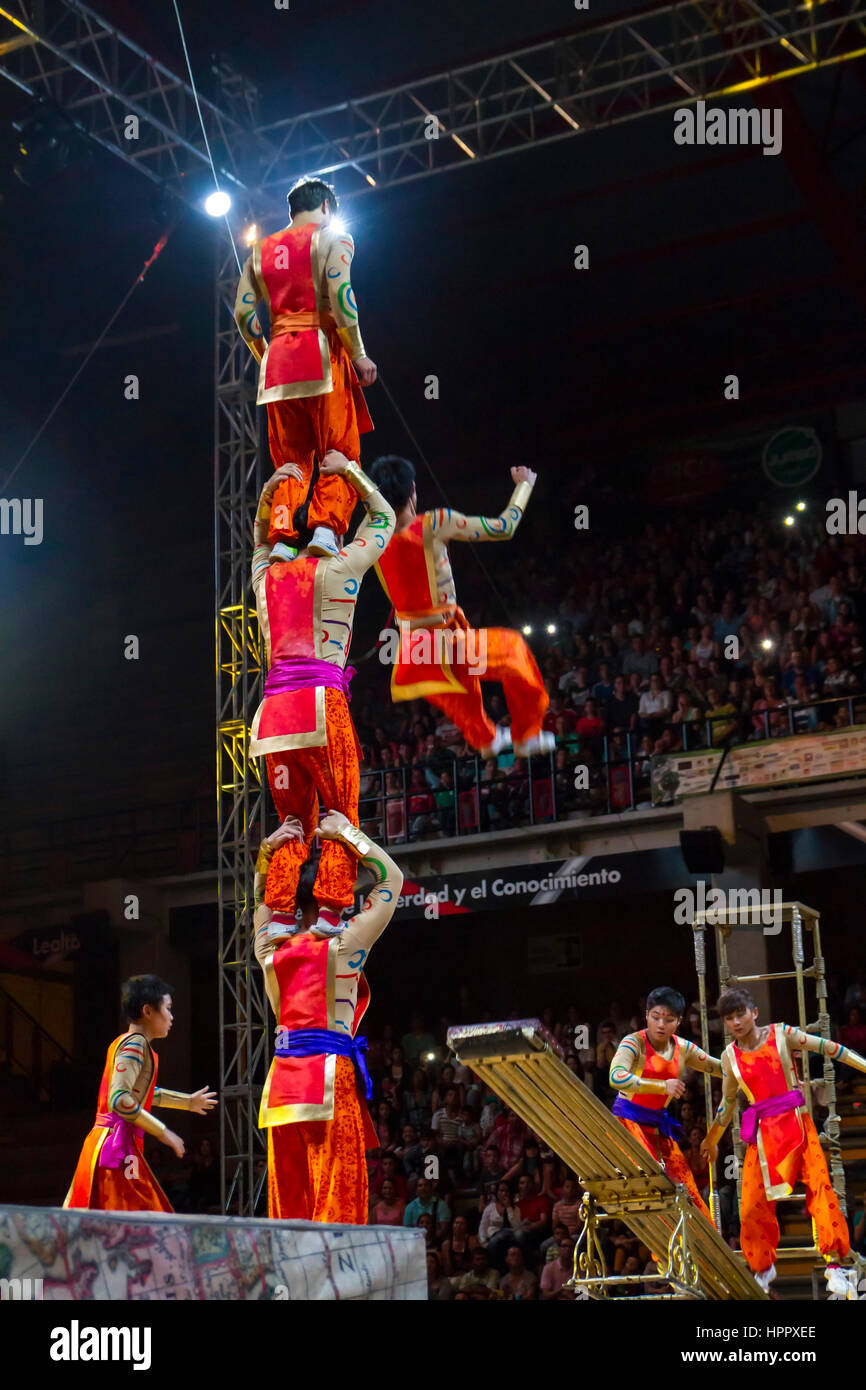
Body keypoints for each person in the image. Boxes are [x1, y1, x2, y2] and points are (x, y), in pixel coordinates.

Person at [250, 453, 395, 933]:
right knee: (341, 811)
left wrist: (272, 492)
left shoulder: (264, 577)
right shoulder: (341, 567)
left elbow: (258, 541)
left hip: (272, 718)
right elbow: (385, 517)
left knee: (292, 821)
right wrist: (351, 472)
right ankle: (332, 909)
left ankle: (280, 915)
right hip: (320, 705)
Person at [253, 810, 403, 1223]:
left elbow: (262, 903)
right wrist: (347, 833)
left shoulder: (269, 951)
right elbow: (393, 880)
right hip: (328, 1080)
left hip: (282, 1087)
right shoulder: (344, 946)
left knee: (291, 1205)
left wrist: (271, 852)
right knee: (338, 1196)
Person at [367, 456, 551, 757]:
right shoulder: (434, 522)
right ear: (413, 489)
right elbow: (503, 527)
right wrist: (523, 488)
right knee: (514, 651)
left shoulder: (371, 538)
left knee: (461, 694)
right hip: (448, 640)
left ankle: (487, 739)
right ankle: (527, 735)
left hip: (416, 650)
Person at [234, 175, 376, 558]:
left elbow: (244, 312)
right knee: (339, 448)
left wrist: (265, 354)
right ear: (328, 207)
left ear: (292, 209)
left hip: (278, 364)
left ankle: (282, 535)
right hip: (322, 353)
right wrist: (359, 352)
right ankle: (326, 531)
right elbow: (342, 296)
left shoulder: (260, 250)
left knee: (291, 457)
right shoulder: (335, 238)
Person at [701, 987, 866, 1296]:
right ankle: (762, 1268)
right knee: (750, 1206)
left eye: (740, 1014)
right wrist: (711, 1139)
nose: (736, 1022)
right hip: (762, 1133)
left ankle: (834, 1264)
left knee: (820, 1188)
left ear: (754, 1012)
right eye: (729, 1018)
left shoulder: (782, 1034)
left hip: (797, 1125)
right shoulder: (730, 1058)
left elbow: (830, 1047)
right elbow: (727, 1104)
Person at [64, 975, 216, 1211]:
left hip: (115, 1147)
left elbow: (143, 1095)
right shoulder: (135, 1044)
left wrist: (188, 1102)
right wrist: (164, 1133)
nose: (172, 1017)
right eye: (167, 1009)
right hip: (114, 1150)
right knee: (143, 1228)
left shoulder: (128, 1043)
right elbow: (120, 1100)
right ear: (148, 1011)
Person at [609, 986, 721, 1221]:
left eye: (668, 1020)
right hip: (628, 1125)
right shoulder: (633, 1043)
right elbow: (615, 1076)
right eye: (655, 1017)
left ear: (678, 1021)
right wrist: (661, 1086)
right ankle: (663, 1253)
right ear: (646, 1015)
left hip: (658, 1127)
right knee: (655, 1185)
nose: (661, 1024)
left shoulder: (683, 1048)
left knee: (688, 1192)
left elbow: (718, 1068)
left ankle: (706, 1251)